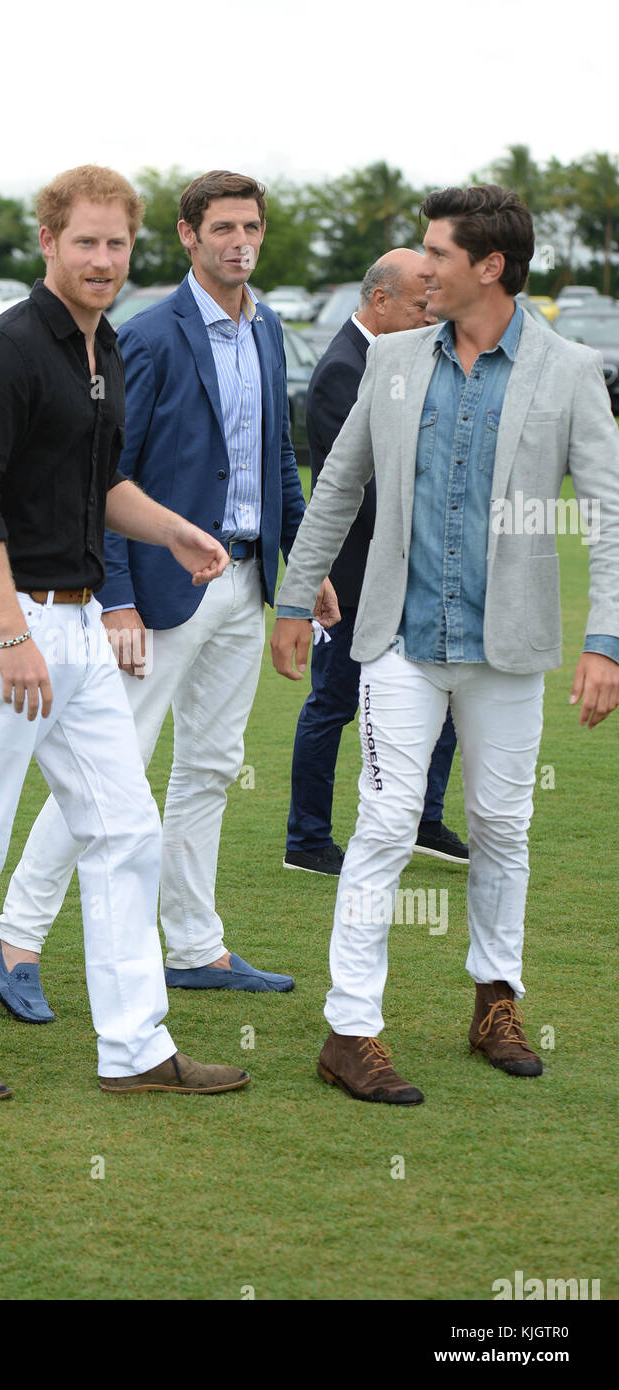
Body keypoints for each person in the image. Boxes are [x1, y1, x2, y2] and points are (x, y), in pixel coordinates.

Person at [0, 166, 252, 1102]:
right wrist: (9, 632)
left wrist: (172, 529)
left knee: (125, 832)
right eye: (85, 241)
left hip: (80, 626)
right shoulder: (3, 351)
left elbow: (100, 486)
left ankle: (136, 1050)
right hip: (14, 625)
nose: (102, 259)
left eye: (117, 244)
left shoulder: (106, 348)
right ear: (49, 242)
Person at [272, 184, 619, 1105]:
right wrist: (293, 600)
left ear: (489, 266)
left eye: (436, 252)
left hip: (510, 647)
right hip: (396, 641)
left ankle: (495, 1001)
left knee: (504, 826)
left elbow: (611, 514)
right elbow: (336, 484)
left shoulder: (571, 369)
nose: (422, 266)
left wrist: (607, 640)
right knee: (385, 823)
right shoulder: (388, 358)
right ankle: (351, 1030)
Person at [0, 170, 338, 1026]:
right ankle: (17, 935)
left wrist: (301, 563)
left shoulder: (271, 329)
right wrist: (120, 599)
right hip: (160, 592)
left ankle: (194, 944)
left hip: (245, 582)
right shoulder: (148, 336)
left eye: (251, 226)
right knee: (113, 771)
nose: (240, 242)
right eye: (222, 228)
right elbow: (106, 474)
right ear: (186, 235)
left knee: (209, 767)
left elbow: (278, 459)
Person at [284, 249, 468, 875]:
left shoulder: (414, 358)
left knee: (442, 699)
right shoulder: (343, 368)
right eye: (421, 306)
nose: (430, 318)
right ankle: (307, 840)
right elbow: (353, 487)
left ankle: (423, 819)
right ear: (380, 300)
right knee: (333, 705)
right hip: (360, 577)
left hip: (417, 574)